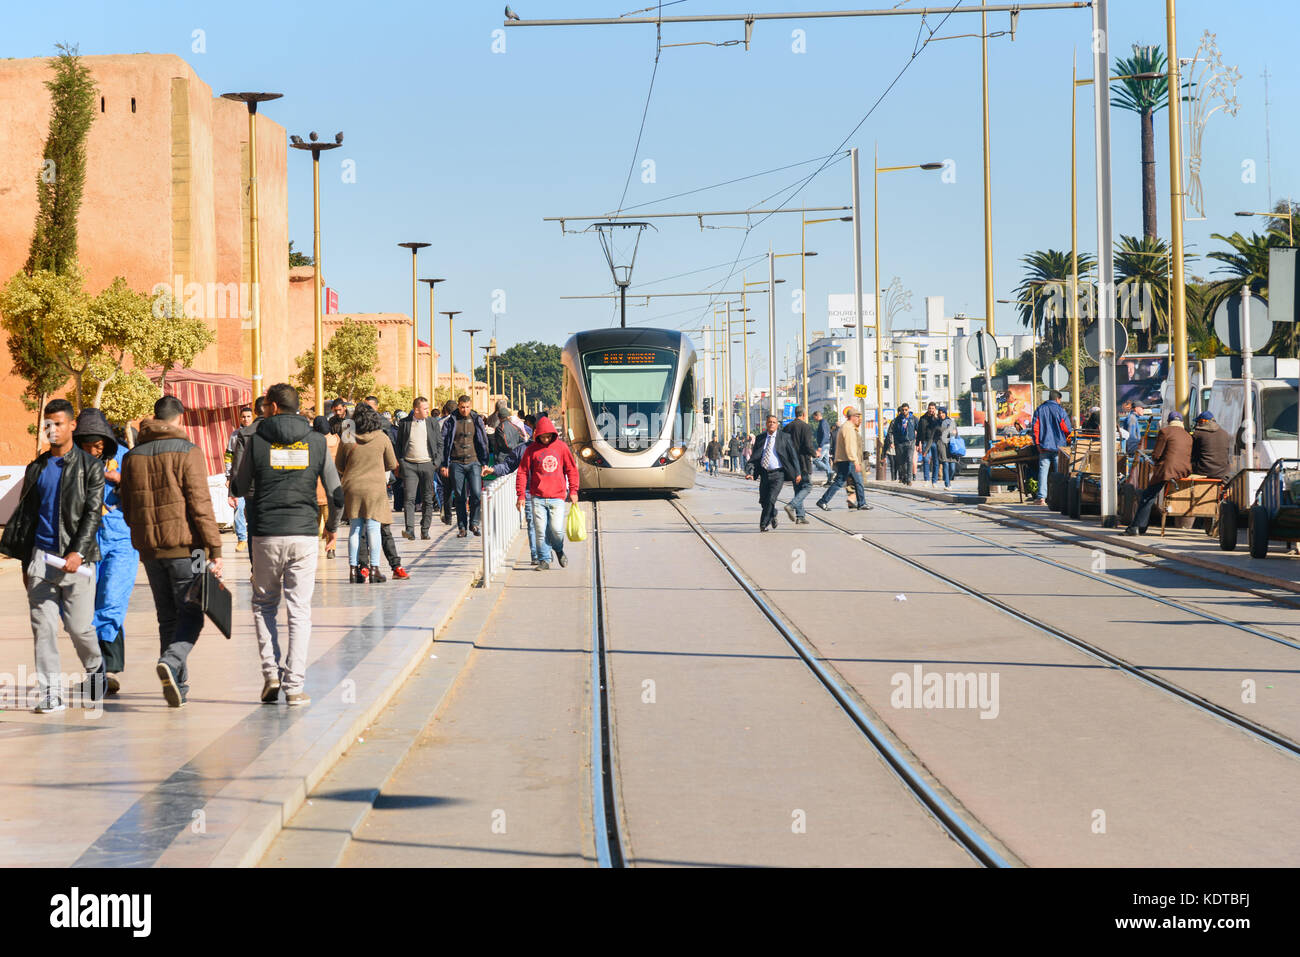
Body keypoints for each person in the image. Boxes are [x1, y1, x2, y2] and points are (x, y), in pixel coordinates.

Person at [230, 383, 343, 706]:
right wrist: (332, 527)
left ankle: (271, 673)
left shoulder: (256, 440)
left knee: (264, 604)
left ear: (274, 407)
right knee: (299, 609)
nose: (262, 410)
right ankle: (294, 686)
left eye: (265, 405)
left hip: (265, 532)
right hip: (304, 534)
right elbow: (336, 493)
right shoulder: (317, 441)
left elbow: (239, 485)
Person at [117, 396, 223, 708]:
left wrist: (143, 532)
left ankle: (178, 682)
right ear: (178, 419)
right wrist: (214, 547)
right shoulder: (188, 451)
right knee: (193, 613)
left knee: (167, 616)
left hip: (149, 549)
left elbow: (127, 506)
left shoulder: (132, 456)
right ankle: (172, 660)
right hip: (186, 548)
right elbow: (200, 504)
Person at [0, 399, 105, 713]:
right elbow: (27, 519)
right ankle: (51, 694)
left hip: (78, 564)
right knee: (43, 628)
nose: (52, 430)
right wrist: (24, 561)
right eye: (48, 424)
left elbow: (91, 514)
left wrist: (78, 551)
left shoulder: (90, 467)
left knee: (79, 628)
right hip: (40, 561)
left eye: (58, 423)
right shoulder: (37, 468)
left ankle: (96, 666)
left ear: (72, 425)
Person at [74, 408, 139, 695]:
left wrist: (120, 480)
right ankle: (102, 671)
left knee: (112, 601)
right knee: (87, 606)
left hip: (121, 539)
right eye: (87, 443)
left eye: (98, 443)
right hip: (85, 542)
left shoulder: (126, 458)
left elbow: (142, 491)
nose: (94, 449)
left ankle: (105, 669)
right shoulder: (70, 462)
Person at [336, 404, 397, 584]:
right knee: (373, 528)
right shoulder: (382, 437)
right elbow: (392, 464)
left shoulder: (348, 435)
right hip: (375, 488)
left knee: (355, 528)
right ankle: (374, 569)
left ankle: (354, 570)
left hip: (352, 487)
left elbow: (339, 464)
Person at [515, 415, 579, 570]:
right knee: (540, 530)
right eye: (542, 437)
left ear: (552, 434)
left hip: (557, 497)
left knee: (556, 530)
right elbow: (522, 472)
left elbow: (571, 469)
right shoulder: (531, 450)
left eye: (548, 437)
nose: (545, 440)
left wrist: (574, 490)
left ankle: (558, 549)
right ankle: (544, 559)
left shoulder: (562, 447)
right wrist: (521, 495)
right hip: (537, 497)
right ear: (537, 435)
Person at [1124, 411, 1192, 536]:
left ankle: (1135, 527)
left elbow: (1156, 454)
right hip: (1184, 471)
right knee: (1151, 495)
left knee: (1147, 496)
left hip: (1167, 470)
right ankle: (1141, 527)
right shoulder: (1188, 435)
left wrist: (1155, 461)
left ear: (1169, 421)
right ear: (1181, 422)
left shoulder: (1165, 432)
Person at [440, 394, 488, 538]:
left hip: (473, 462)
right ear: (458, 406)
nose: (464, 410)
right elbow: (443, 443)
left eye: (467, 407)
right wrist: (444, 464)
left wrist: (484, 462)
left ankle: (474, 523)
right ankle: (462, 527)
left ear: (470, 406)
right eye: (462, 407)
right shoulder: (451, 421)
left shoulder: (476, 419)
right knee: (460, 496)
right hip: (456, 463)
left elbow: (483, 441)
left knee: (476, 493)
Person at [397, 396, 443, 541]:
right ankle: (410, 529)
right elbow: (398, 445)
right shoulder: (405, 423)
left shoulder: (432, 423)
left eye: (428, 408)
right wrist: (402, 462)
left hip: (427, 464)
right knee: (409, 498)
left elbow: (440, 444)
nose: (427, 411)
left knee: (427, 499)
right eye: (425, 409)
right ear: (416, 410)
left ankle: (425, 529)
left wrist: (436, 463)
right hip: (409, 465)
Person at [748, 414, 801, 531]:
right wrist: (750, 472)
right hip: (764, 473)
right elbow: (755, 457)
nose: (771, 424)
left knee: (771, 499)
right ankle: (773, 514)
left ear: (777, 425)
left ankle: (763, 524)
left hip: (778, 474)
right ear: (766, 424)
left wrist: (798, 472)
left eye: (774, 422)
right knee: (763, 501)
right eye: (769, 422)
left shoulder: (784, 437)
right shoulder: (760, 438)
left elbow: (793, 456)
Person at [817, 408, 870, 511]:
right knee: (858, 481)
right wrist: (855, 461)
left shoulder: (846, 427)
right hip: (848, 460)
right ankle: (862, 503)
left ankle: (823, 501)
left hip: (844, 460)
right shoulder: (849, 428)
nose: (858, 419)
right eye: (857, 416)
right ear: (852, 417)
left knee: (839, 482)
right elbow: (850, 447)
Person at [1030, 390, 1072, 505]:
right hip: (1059, 447)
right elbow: (1067, 429)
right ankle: (1059, 498)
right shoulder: (1060, 411)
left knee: (1043, 472)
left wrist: (1037, 444)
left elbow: (1035, 428)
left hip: (1044, 446)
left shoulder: (1040, 409)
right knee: (1059, 473)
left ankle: (1041, 498)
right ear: (1058, 399)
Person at [225, 405, 255, 552]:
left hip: (254, 478)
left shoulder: (257, 433)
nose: (246, 419)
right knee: (238, 508)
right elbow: (229, 456)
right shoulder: (235, 435)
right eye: (243, 416)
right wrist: (228, 476)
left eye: (248, 416)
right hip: (238, 477)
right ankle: (242, 538)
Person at [782, 406, 818, 525]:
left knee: (798, 488)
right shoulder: (805, 427)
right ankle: (791, 506)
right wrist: (815, 453)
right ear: (803, 414)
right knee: (807, 486)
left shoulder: (787, 427)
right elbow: (807, 445)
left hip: (792, 463)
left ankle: (800, 516)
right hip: (803, 462)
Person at [1190, 410, 1232, 480]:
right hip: (1222, 472)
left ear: (1202, 422)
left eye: (1198, 422)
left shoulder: (1197, 434)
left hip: (1203, 471)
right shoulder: (1225, 433)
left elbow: (1192, 453)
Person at [437, 399, 458, 526]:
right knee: (459, 489)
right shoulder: (459, 422)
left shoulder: (440, 423)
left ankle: (448, 516)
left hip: (444, 461)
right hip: (458, 460)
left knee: (447, 489)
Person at [888, 404, 917, 485]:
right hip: (900, 443)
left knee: (910, 459)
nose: (904, 411)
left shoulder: (913, 419)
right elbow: (891, 432)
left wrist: (919, 442)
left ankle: (909, 479)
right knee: (902, 462)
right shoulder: (896, 420)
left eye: (906, 410)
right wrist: (892, 442)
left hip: (910, 442)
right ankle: (904, 476)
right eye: (903, 410)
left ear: (908, 409)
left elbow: (919, 429)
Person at [917, 402, 940, 484]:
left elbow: (940, 429)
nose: (931, 410)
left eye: (933, 408)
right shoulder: (923, 418)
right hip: (925, 442)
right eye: (930, 408)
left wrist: (936, 418)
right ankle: (926, 479)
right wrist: (918, 444)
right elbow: (919, 431)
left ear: (935, 409)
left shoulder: (937, 419)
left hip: (935, 442)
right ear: (927, 409)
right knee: (926, 460)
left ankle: (934, 480)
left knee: (936, 461)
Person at [935, 407, 958, 490]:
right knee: (945, 463)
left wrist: (954, 433)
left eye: (942, 413)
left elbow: (956, 433)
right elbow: (933, 435)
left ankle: (949, 479)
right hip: (941, 444)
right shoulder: (937, 423)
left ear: (945, 413)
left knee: (952, 467)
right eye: (939, 413)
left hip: (950, 445)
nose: (941, 415)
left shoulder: (950, 422)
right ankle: (947, 484)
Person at [811, 411, 833, 483]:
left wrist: (820, 446)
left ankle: (830, 471)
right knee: (826, 461)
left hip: (823, 445)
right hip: (826, 444)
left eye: (814, 417)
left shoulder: (822, 423)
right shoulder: (824, 422)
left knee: (816, 460)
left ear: (817, 416)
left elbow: (825, 435)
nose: (814, 419)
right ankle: (829, 480)